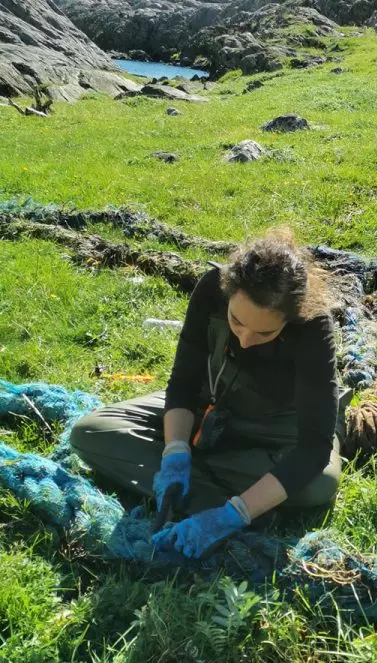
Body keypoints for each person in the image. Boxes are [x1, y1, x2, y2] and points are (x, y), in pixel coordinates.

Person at [70, 229, 343, 559]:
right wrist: (174, 452)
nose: (244, 340)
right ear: (228, 294)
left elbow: (313, 446)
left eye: (265, 332)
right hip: (208, 405)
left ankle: (231, 503)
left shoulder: (314, 327)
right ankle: (254, 497)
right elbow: (183, 383)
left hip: (277, 430)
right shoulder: (211, 288)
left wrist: (233, 515)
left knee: (319, 484)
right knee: (91, 432)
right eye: (236, 322)